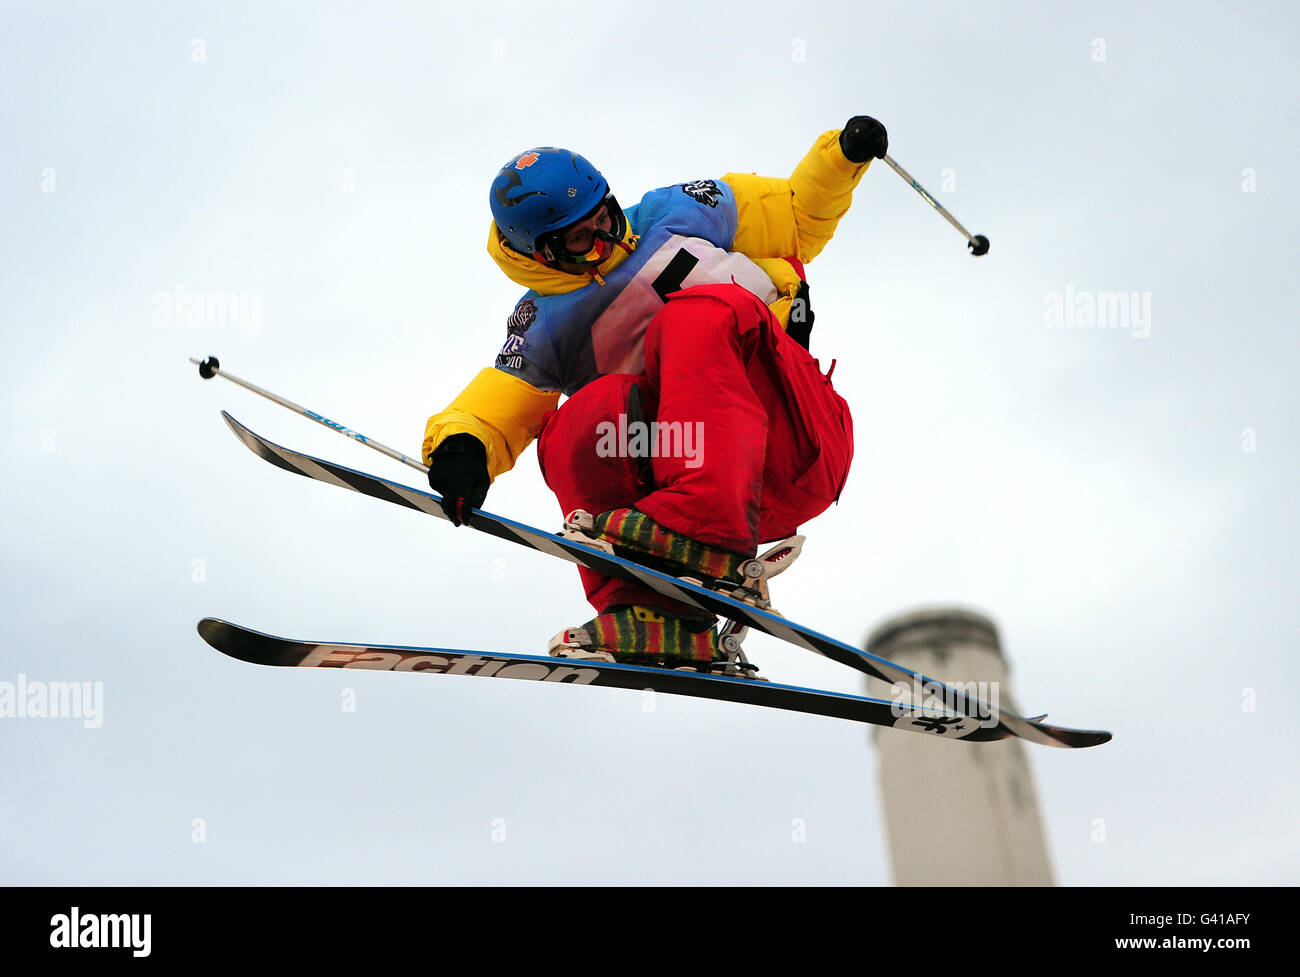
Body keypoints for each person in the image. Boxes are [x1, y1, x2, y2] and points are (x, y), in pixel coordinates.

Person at [423, 117, 888, 671]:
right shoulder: (544, 321)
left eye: (606, 219)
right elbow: (501, 400)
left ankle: (705, 525)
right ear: (542, 253)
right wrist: (462, 449)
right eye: (580, 239)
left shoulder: (679, 211)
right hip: (688, 481)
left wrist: (841, 158)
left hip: (794, 436)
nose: (604, 240)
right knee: (578, 421)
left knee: (695, 316)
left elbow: (792, 214)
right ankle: (651, 611)